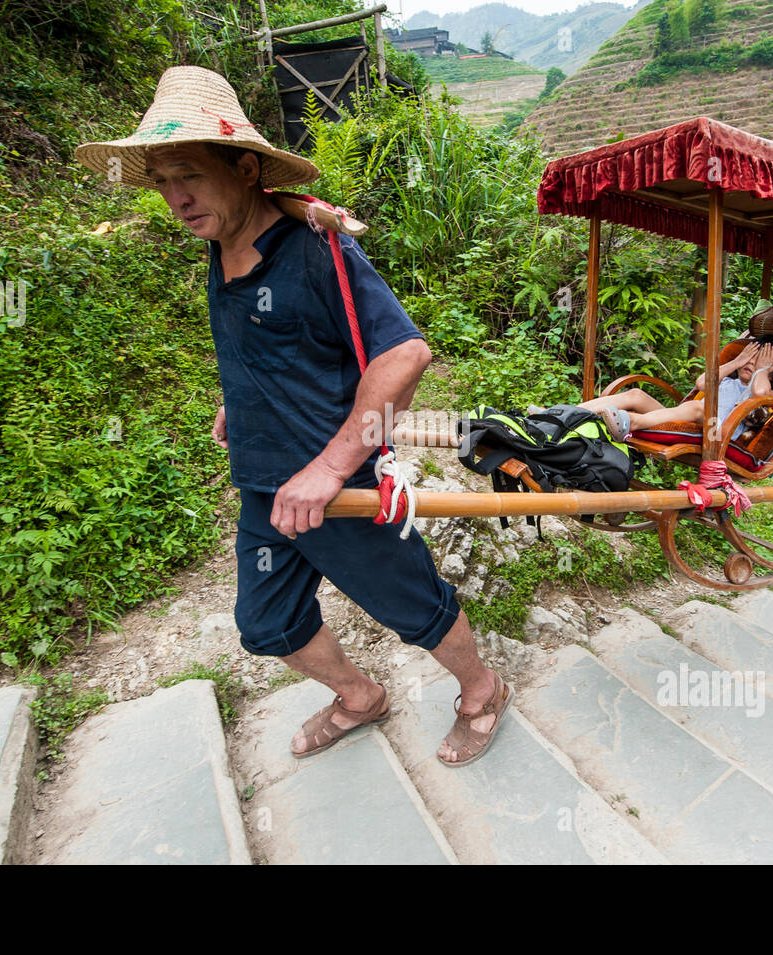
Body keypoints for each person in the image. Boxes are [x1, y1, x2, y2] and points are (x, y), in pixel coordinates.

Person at [74, 67, 511, 766]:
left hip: (339, 489)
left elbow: (404, 354)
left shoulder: (317, 247)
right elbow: (273, 341)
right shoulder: (218, 244)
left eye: (187, 174)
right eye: (161, 182)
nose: (175, 198)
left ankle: (483, 689)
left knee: (414, 607)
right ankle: (360, 696)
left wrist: (331, 467)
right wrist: (243, 399)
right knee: (267, 621)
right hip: (263, 484)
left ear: (246, 168)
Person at [582, 336, 773, 442]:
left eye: (759, 361)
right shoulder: (729, 382)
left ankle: (631, 422)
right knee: (637, 395)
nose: (752, 363)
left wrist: (761, 370)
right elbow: (702, 383)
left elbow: (759, 392)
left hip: (718, 435)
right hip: (690, 418)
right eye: (750, 357)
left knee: (699, 408)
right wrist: (737, 361)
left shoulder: (767, 394)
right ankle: (572, 412)